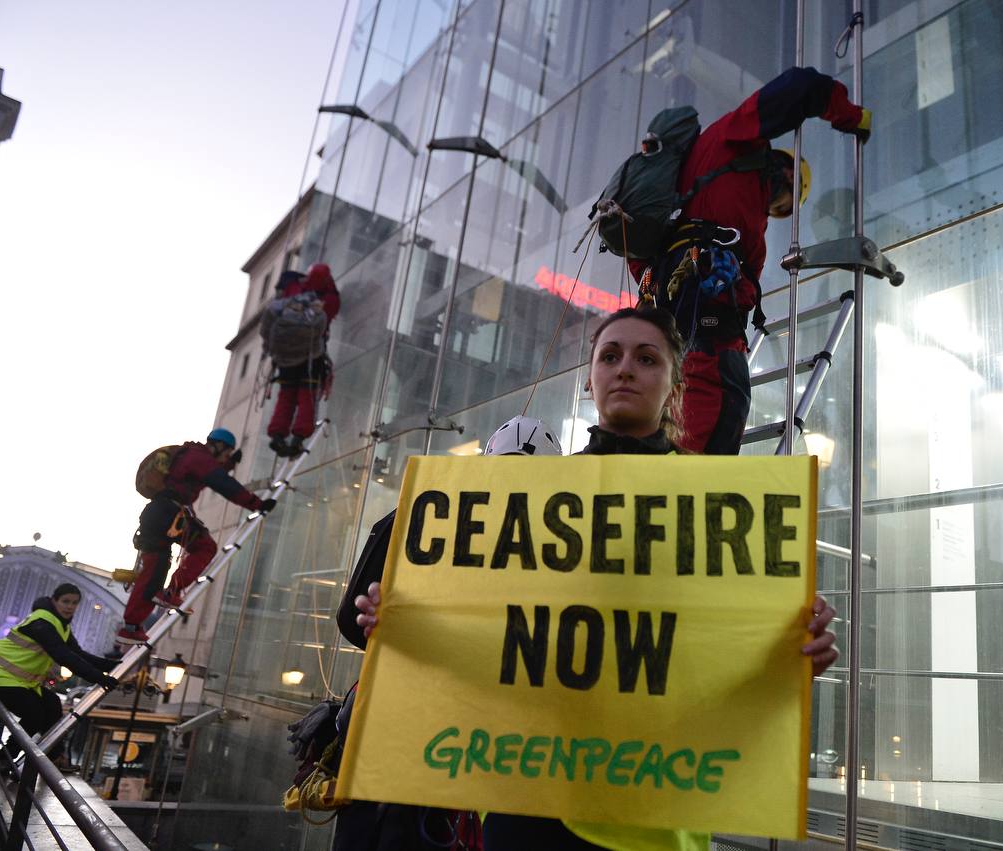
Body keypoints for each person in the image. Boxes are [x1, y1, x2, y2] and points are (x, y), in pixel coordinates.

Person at [354, 308, 840, 851]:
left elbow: (725, 647)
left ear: (674, 384)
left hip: (658, 815)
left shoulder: (711, 506)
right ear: (591, 380)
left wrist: (792, 643)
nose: (625, 369)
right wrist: (405, 622)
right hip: (528, 805)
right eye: (610, 356)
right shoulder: (528, 499)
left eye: (646, 358)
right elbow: (490, 632)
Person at [328, 416, 562, 851]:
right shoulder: (545, 546)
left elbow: (351, 618)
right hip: (424, 741)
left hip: (412, 736)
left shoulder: (426, 513)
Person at [631, 67, 872, 455]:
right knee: (712, 431)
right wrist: (851, 115)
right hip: (705, 336)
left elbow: (646, 252)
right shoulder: (735, 140)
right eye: (781, 206)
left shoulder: (691, 181)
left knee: (667, 432)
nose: (772, 211)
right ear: (788, 173)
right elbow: (801, 85)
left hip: (662, 324)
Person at [120, 428, 275, 645]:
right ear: (220, 446)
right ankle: (171, 591)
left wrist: (228, 465)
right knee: (204, 547)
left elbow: (202, 475)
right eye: (226, 453)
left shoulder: (189, 455)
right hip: (169, 514)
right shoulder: (199, 458)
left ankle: (130, 627)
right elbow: (221, 482)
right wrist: (257, 504)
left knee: (154, 569)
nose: (226, 458)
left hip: (157, 513)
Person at [0, 584, 119, 748]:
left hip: (15, 680)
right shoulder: (42, 622)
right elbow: (63, 655)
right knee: (35, 714)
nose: (70, 607)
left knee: (52, 705)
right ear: (54, 601)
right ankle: (5, 757)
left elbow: (78, 653)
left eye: (74, 603)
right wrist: (99, 678)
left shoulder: (60, 624)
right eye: (65, 601)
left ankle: (53, 755)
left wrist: (111, 666)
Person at [265, 263, 341, 457]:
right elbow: (324, 323)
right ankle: (299, 437)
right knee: (307, 396)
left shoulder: (294, 289)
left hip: (286, 358)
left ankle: (277, 435)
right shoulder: (329, 298)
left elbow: (273, 315)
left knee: (286, 395)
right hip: (311, 357)